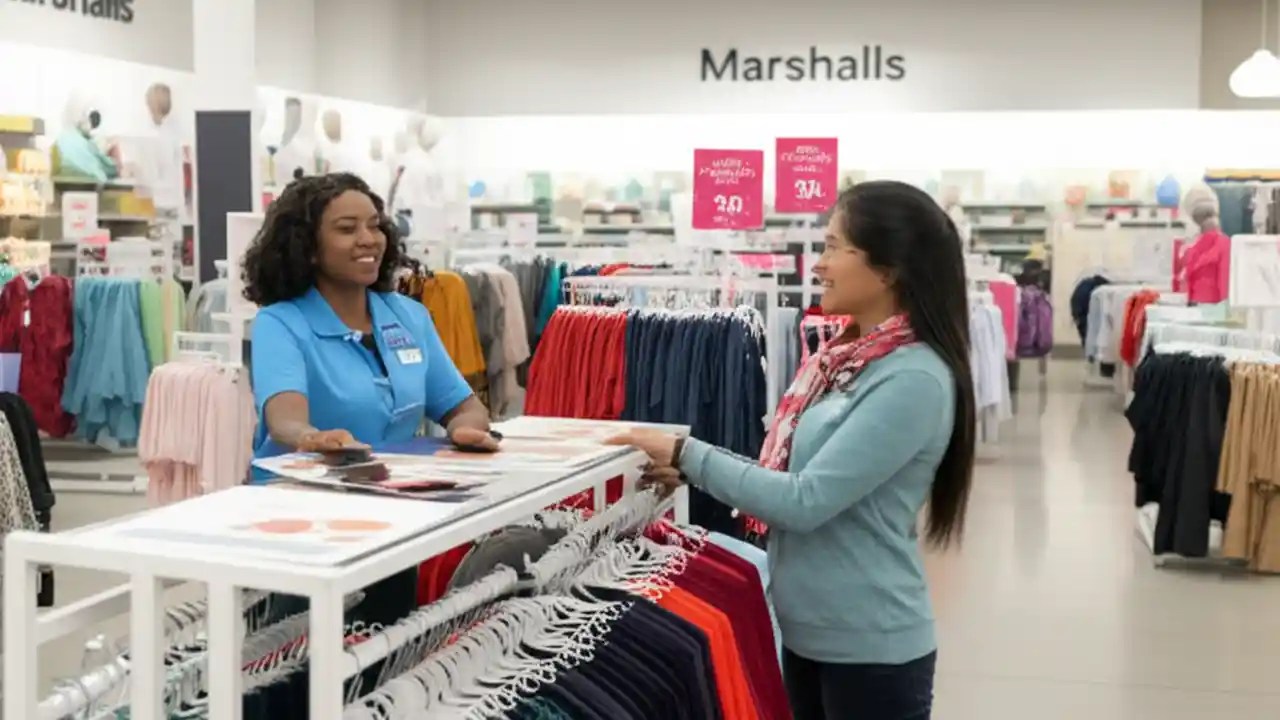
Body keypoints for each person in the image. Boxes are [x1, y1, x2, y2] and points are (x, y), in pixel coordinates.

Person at [608, 181, 977, 720]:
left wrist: (688, 454)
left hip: (869, 647)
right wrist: (686, 467)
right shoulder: (845, 359)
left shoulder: (913, 378)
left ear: (889, 269)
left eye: (832, 247)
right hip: (810, 634)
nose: (818, 264)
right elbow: (787, 473)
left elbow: (804, 502)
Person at [242, 172, 497, 624]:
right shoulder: (281, 323)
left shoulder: (408, 315)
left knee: (382, 654)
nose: (368, 239)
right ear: (308, 245)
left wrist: (465, 428)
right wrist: (312, 437)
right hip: (303, 525)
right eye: (346, 229)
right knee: (296, 665)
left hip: (392, 519)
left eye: (375, 225)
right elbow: (283, 416)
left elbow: (460, 402)